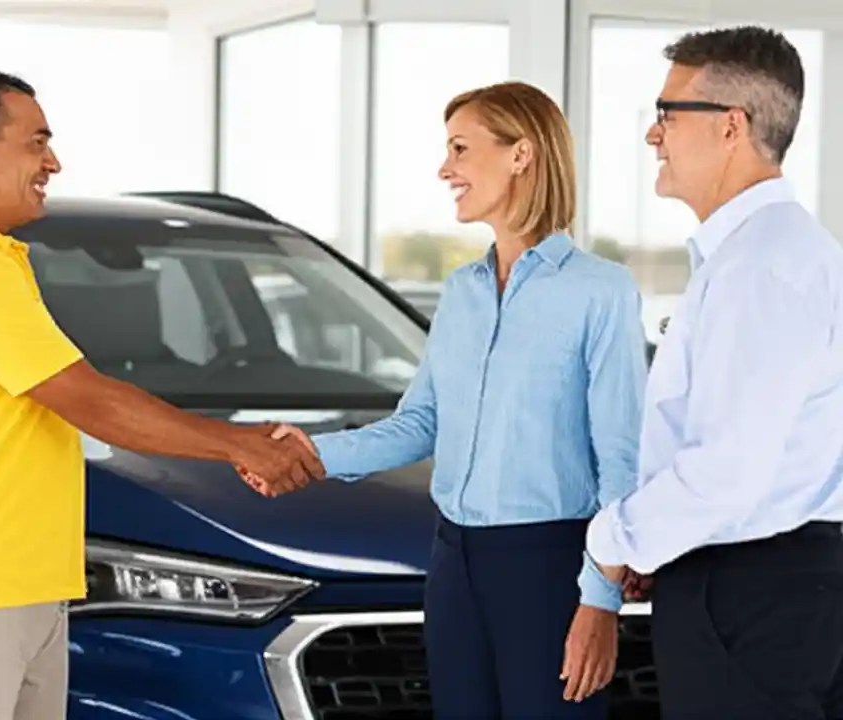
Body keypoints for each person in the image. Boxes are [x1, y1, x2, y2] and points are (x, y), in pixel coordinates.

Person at [0, 68, 324, 720]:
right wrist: (237, 445)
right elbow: (87, 398)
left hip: (22, 592)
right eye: (37, 142)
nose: (53, 162)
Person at [254, 80, 648, 718]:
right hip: (453, 563)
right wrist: (310, 454)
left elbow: (621, 458)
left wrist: (600, 602)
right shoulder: (463, 291)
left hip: (549, 565)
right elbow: (422, 422)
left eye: (460, 148)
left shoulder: (601, 291)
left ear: (521, 154)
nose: (446, 168)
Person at [583, 25, 843, 719]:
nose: (653, 135)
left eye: (667, 114)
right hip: (776, 587)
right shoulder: (784, 252)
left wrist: (613, 542)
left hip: (747, 595)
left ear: (732, 126)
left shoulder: (758, 268)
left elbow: (727, 470)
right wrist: (660, 539)